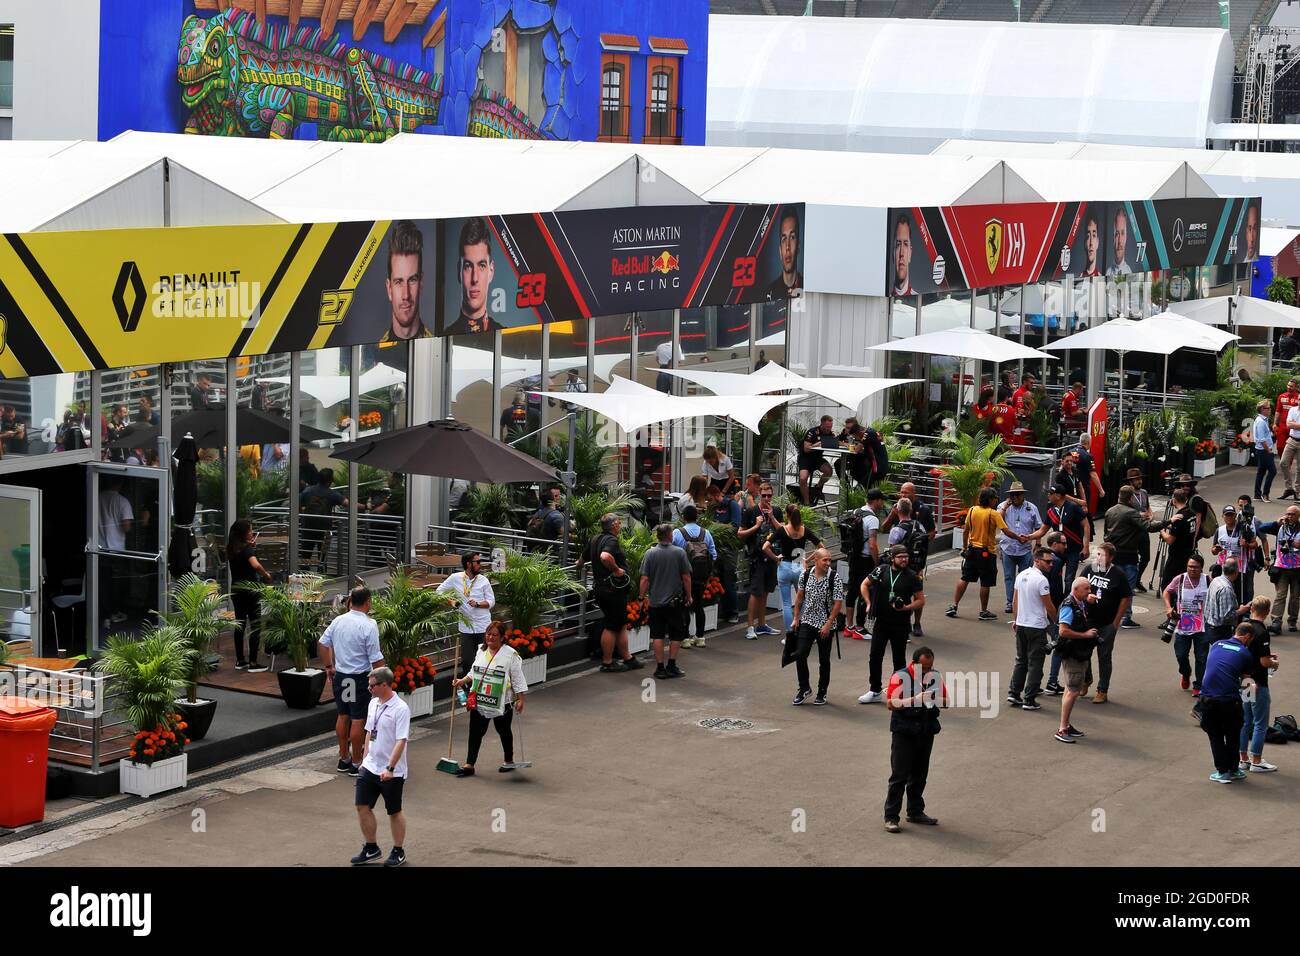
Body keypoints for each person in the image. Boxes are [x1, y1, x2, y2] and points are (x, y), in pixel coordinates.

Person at [320, 586, 385, 777]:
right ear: (368, 602)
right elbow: (375, 657)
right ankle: (357, 762)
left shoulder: (338, 620)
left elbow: (323, 644)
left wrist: (328, 666)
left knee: (343, 715)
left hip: (341, 676)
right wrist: (384, 679)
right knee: (358, 719)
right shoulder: (369, 624)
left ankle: (344, 757)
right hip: (359, 677)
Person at [450, 619, 528, 777]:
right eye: (488, 634)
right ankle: (469, 764)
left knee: (504, 730)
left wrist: (520, 699)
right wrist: (462, 681)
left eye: (494, 635)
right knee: (475, 732)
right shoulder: (481, 650)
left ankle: (508, 760)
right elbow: (474, 671)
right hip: (480, 699)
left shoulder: (510, 655)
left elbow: (517, 678)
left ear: (502, 637)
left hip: (502, 701)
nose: (490, 637)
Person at [882, 645, 947, 832]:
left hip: (925, 731)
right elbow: (890, 703)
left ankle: (915, 811)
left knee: (920, 774)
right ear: (914, 663)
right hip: (904, 732)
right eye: (924, 667)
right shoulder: (900, 676)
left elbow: (946, 702)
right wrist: (915, 699)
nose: (927, 671)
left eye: (930, 667)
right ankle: (891, 817)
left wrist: (934, 698)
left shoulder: (934, 676)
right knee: (899, 776)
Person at [350, 666, 410, 867]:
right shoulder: (373, 703)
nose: (369, 688)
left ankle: (398, 850)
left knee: (394, 810)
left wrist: (390, 768)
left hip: (392, 771)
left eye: (372, 685)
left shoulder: (400, 708)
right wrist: (364, 760)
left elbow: (401, 740)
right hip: (370, 767)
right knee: (362, 806)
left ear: (384, 685)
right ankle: (371, 847)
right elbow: (369, 732)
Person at [859, 545, 925, 705]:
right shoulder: (881, 570)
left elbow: (921, 600)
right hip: (881, 621)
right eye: (901, 557)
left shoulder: (912, 576)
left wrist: (906, 608)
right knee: (875, 656)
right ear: (892, 558)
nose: (904, 559)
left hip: (900, 623)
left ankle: (897, 690)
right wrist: (868, 603)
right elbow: (864, 584)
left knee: (899, 658)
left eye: (906, 556)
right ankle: (875, 690)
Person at [577, 514, 643, 672]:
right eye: (619, 523)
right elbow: (605, 557)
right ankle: (607, 662)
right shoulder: (611, 541)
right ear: (613, 525)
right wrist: (617, 570)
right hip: (612, 591)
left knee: (619, 624)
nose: (620, 525)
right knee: (612, 626)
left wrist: (581, 566)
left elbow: (581, 560)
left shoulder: (595, 539)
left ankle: (628, 658)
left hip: (601, 589)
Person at [947, 487, 1022, 621]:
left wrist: (964, 547)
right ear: (990, 499)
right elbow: (1006, 531)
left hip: (971, 550)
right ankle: (983, 611)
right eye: (995, 499)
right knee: (985, 582)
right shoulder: (993, 514)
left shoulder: (972, 510)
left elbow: (966, 531)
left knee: (965, 578)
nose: (996, 501)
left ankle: (954, 605)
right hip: (986, 552)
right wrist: (1019, 538)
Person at [1199, 623, 1258, 784]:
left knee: (1215, 734)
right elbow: (1247, 681)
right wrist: (1251, 701)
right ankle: (1232, 769)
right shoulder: (1245, 653)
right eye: (1250, 640)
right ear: (1247, 636)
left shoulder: (1217, 644)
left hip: (1208, 698)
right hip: (1229, 700)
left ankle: (1223, 772)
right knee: (1232, 734)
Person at [1103, 484, 1164, 626]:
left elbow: (1106, 533)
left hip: (1113, 554)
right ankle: (1126, 618)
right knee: (1127, 588)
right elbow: (1148, 527)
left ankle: (1111, 614)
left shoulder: (1110, 511)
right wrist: (1167, 522)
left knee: (1112, 585)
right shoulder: (1131, 512)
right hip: (1129, 555)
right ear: (1131, 498)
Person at [1079, 542, 1132, 705]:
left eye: (1102, 555)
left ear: (1111, 557)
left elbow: (1126, 597)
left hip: (1107, 623)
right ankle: (1086, 679)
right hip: (1088, 620)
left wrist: (1116, 622)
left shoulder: (1118, 574)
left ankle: (1102, 690)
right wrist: (1086, 597)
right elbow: (1078, 588)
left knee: (1104, 657)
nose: (1098, 557)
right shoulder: (1089, 569)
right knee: (1083, 654)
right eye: (1097, 554)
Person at [790, 548, 843, 706]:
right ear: (816, 561)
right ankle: (804, 688)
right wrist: (795, 618)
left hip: (826, 623)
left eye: (829, 560)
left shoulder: (834, 577)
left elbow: (838, 603)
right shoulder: (805, 575)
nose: (828, 563)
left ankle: (822, 691)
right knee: (800, 654)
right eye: (825, 560)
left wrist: (828, 624)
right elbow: (799, 598)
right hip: (807, 620)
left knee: (824, 659)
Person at [882, 482, 936, 636]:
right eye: (901, 492)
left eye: (906, 492)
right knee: (900, 592)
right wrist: (893, 514)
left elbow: (931, 532)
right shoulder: (897, 509)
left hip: (916, 563)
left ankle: (916, 623)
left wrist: (918, 546)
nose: (903, 495)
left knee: (916, 593)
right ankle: (902, 623)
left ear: (914, 493)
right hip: (901, 564)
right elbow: (884, 528)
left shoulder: (923, 511)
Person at [1008, 548, 1057, 711]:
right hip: (1036, 627)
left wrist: (1016, 619)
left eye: (1052, 561)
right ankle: (1029, 699)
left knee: (1021, 660)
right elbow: (1048, 605)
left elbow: (1015, 600)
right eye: (1048, 561)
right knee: (1036, 663)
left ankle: (1014, 692)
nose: (1051, 564)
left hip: (1021, 624)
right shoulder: (1041, 580)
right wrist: (1057, 622)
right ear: (1037, 560)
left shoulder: (1021, 575)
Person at [640, 523, 692, 679]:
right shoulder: (679, 553)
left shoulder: (650, 554)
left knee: (657, 635)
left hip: (655, 602)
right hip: (674, 602)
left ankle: (660, 668)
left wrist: (641, 597)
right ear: (670, 536)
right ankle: (672, 665)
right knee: (676, 634)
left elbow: (644, 578)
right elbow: (686, 577)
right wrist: (689, 595)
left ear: (657, 536)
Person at [765, 503, 822, 635]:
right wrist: (807, 559)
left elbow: (765, 547)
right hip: (799, 566)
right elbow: (821, 547)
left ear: (787, 515)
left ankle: (790, 633)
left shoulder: (782, 530)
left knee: (786, 603)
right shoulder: (804, 530)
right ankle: (804, 630)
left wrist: (775, 558)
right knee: (803, 599)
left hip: (784, 566)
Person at [436, 551, 496, 675]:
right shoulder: (455, 578)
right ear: (469, 564)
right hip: (466, 628)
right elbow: (439, 592)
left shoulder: (483, 580)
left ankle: (482, 690)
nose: (480, 564)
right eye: (478, 562)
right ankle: (470, 690)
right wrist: (451, 602)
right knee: (468, 661)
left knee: (484, 660)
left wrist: (478, 604)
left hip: (483, 627)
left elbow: (492, 601)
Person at [1054, 577, 1098, 743]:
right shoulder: (1068, 605)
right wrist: (1085, 635)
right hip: (1073, 653)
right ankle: (1062, 728)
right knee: (1073, 691)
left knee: (1070, 689)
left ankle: (1066, 725)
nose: (1089, 592)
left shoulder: (1078, 603)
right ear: (1076, 590)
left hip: (1079, 652)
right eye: (1086, 589)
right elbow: (1063, 631)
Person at [1239, 595, 1280, 774]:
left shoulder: (1243, 628)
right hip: (1258, 682)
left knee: (1246, 721)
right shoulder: (1262, 632)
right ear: (1268, 612)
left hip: (1246, 681)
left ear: (1251, 608)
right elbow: (1263, 662)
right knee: (1260, 723)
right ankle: (1256, 759)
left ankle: (1243, 759)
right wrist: (1273, 663)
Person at [227, 519, 273, 672]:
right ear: (244, 533)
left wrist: (250, 547)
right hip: (250, 590)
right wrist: (266, 575)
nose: (252, 533)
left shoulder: (231, 548)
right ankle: (253, 662)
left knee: (240, 625)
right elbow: (255, 565)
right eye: (250, 530)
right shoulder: (247, 550)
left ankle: (240, 660)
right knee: (255, 625)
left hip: (236, 590)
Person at [1163, 554, 1211, 695]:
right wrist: (1168, 608)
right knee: (1181, 655)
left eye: (1196, 567)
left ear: (1201, 568)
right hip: (1184, 623)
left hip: (1201, 624)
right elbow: (1167, 591)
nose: (1192, 569)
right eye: (1190, 566)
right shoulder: (1181, 579)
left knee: (1201, 657)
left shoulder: (1207, 580)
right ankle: (1185, 672)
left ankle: (1198, 686)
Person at [740, 482, 781, 639]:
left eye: (769, 495)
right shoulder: (751, 511)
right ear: (759, 495)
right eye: (764, 496)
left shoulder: (776, 511)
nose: (766, 498)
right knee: (755, 591)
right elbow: (740, 533)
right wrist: (756, 526)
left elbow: (783, 530)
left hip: (771, 556)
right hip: (757, 557)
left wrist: (772, 517)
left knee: (765, 591)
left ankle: (762, 624)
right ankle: (750, 626)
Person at [843, 488, 885, 640]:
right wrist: (877, 563)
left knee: (852, 590)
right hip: (866, 559)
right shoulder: (873, 519)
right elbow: (873, 544)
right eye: (881, 500)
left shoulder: (857, 511)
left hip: (853, 557)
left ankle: (849, 626)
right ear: (876, 500)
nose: (882, 503)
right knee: (864, 591)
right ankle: (860, 628)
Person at [673, 505, 717, 649]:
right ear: (696, 517)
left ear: (683, 517)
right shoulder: (706, 533)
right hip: (701, 575)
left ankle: (685, 638)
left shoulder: (677, 533)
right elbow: (713, 554)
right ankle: (700, 637)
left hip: (683, 575)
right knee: (698, 604)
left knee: (685, 605)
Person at [444, 217, 498, 336]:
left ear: (491, 271)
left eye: (481, 266)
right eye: (468, 266)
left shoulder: (502, 333)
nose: (475, 278)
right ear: (459, 271)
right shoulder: (447, 334)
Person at [998, 482, 1043, 615]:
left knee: (1025, 577)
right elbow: (997, 521)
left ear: (1023, 495)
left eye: (1018, 494)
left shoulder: (1031, 508)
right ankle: (1010, 602)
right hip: (1008, 548)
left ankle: (1024, 602)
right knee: (1009, 577)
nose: (1015, 497)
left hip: (1025, 549)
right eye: (1013, 494)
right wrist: (1005, 507)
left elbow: (1038, 527)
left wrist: (1038, 544)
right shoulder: (1003, 507)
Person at [380, 220, 429, 341]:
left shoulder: (434, 340)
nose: (406, 295)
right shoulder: (375, 350)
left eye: (412, 280)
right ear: (389, 289)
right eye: (398, 282)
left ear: (421, 283)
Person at [1256, 505, 1300, 634]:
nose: (1289, 516)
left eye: (1292, 514)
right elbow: (1261, 528)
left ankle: (1292, 621)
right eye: (1288, 514)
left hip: (1298, 568)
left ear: (1298, 516)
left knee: (1295, 596)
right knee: (1280, 595)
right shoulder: (1280, 526)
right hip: (1282, 568)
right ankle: (1276, 622)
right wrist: (1276, 522)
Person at [706, 484, 742, 624]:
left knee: (729, 580)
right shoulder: (714, 508)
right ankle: (724, 611)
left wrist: (716, 526)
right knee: (719, 579)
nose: (709, 503)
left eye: (710, 500)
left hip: (729, 548)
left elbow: (735, 526)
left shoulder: (732, 505)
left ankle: (733, 612)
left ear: (716, 495)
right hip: (717, 548)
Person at [300, 468, 347, 571]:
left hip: (308, 529)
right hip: (324, 531)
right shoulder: (331, 494)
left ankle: (303, 581)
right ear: (329, 481)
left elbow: (296, 502)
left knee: (305, 557)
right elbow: (348, 503)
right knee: (322, 559)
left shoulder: (308, 490)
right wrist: (367, 506)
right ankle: (321, 581)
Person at [1158, 488, 1197, 592]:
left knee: (1166, 584)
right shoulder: (1192, 513)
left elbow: (1170, 540)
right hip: (1188, 553)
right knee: (1183, 581)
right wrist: (1171, 527)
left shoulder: (1179, 518)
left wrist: (1162, 531)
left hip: (1176, 556)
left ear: (1174, 500)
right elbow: (1184, 529)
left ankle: (1171, 604)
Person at [765, 208, 803, 300]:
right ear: (779, 250)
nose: (787, 247)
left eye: (792, 237)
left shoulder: (806, 286)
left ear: (798, 246)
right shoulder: (769, 293)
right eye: (784, 239)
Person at [797, 415, 835, 505]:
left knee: (829, 471)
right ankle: (807, 502)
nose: (828, 429)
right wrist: (816, 445)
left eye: (830, 427)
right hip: (806, 457)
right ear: (821, 424)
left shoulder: (830, 433)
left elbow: (836, 441)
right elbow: (806, 449)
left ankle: (818, 487)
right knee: (803, 478)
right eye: (827, 427)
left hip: (817, 458)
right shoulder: (812, 432)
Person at [1127, 468, 1154, 591]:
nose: (1140, 481)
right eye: (1137, 479)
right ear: (1131, 481)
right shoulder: (1126, 493)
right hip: (1131, 530)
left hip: (1143, 528)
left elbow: (1147, 508)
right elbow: (1125, 511)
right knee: (1132, 558)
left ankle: (1137, 579)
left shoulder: (1144, 492)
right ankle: (1131, 582)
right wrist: (1140, 514)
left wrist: (1151, 515)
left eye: (1140, 478)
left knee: (1146, 557)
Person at [1275, 379, 1300, 498]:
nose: (1289, 387)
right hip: (1289, 434)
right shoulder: (1289, 405)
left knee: (1299, 467)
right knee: (1282, 459)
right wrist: (1276, 423)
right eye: (1288, 385)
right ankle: (1289, 488)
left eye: (1292, 386)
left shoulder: (1295, 399)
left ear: (1296, 388)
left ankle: (1297, 490)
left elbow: (1291, 424)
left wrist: (1294, 425)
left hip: (1298, 439)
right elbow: (1280, 413)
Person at [1253, 399, 1278, 502]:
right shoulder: (1260, 422)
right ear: (1262, 409)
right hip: (1264, 450)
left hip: (1262, 450)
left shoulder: (1264, 420)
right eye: (1267, 408)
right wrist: (1269, 450)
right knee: (1273, 471)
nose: (1269, 410)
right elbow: (1261, 439)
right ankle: (1265, 494)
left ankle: (1257, 495)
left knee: (1261, 472)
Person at [891, 212, 914, 297]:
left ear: (910, 253)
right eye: (897, 245)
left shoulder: (916, 297)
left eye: (905, 244)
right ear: (893, 254)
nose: (901, 253)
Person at [1079, 213, 1101, 277]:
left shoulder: (1101, 277)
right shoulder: (1079, 277)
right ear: (1084, 243)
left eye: (1094, 236)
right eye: (1088, 236)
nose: (1091, 243)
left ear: (1098, 242)